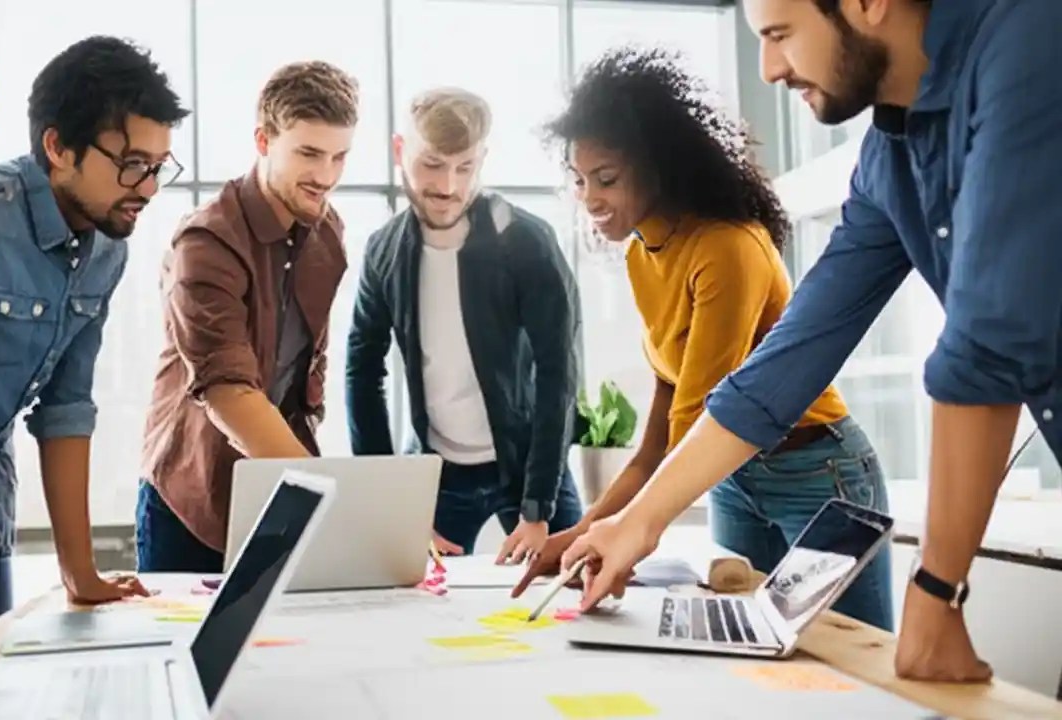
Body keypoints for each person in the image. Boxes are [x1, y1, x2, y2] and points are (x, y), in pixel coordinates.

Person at [560, 0, 1062, 683]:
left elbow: (987, 338)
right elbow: (787, 363)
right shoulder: (889, 156)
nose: (768, 69)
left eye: (780, 35)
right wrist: (637, 522)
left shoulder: (1031, 38)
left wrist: (937, 593)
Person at [516, 46, 894, 631]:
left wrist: (620, 531)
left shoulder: (726, 248)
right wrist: (582, 531)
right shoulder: (645, 253)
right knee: (744, 648)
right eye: (580, 180)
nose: (589, 199)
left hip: (817, 474)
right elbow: (661, 431)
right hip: (732, 478)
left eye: (607, 179)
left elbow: (696, 421)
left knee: (853, 658)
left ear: (660, 166)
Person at [0, 36, 189, 659]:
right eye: (131, 164)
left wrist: (81, 575)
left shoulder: (108, 248)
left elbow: (66, 407)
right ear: (58, 147)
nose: (148, 188)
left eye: (158, 166)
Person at [138, 60, 359, 573]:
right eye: (308, 154)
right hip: (193, 497)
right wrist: (341, 504)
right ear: (263, 141)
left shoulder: (327, 232)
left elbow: (303, 377)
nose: (326, 175)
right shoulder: (206, 242)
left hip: (278, 486)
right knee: (191, 652)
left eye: (339, 157)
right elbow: (229, 392)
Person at [346, 87, 583, 560]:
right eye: (431, 164)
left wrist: (537, 508)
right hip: (437, 471)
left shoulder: (529, 242)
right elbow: (363, 370)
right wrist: (392, 506)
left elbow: (559, 370)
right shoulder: (382, 251)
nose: (449, 186)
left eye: (465, 167)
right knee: (410, 602)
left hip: (527, 465)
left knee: (571, 585)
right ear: (400, 151)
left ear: (483, 159)